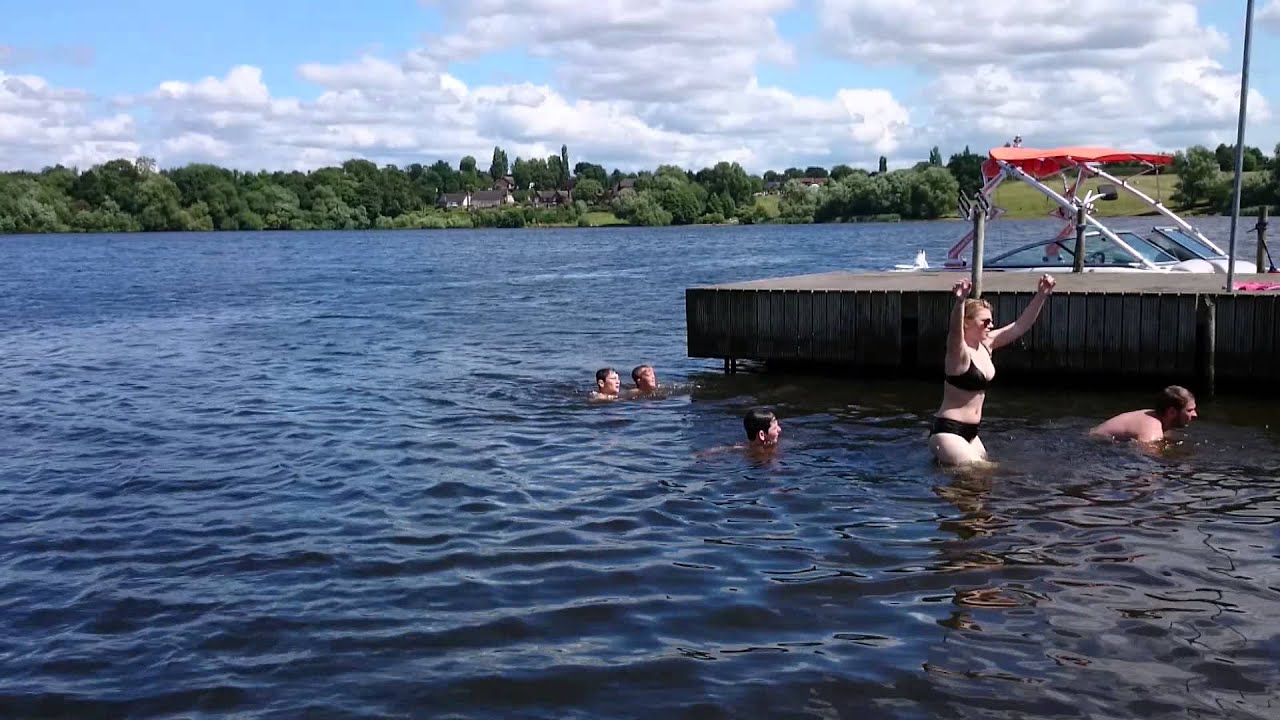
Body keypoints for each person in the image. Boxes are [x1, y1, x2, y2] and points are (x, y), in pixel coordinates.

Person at [929, 273, 1056, 466]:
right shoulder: (958, 352)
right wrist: (960, 302)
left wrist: (1041, 294)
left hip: (972, 434)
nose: (991, 325)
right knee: (981, 472)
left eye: (991, 321)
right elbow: (955, 331)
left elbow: (1019, 326)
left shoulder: (986, 345)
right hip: (948, 431)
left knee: (980, 490)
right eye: (985, 322)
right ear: (967, 322)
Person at [1089, 385, 1198, 443]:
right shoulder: (1152, 428)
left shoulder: (1153, 416)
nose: (1195, 415)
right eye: (1189, 410)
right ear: (1172, 412)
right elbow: (1147, 459)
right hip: (1093, 445)